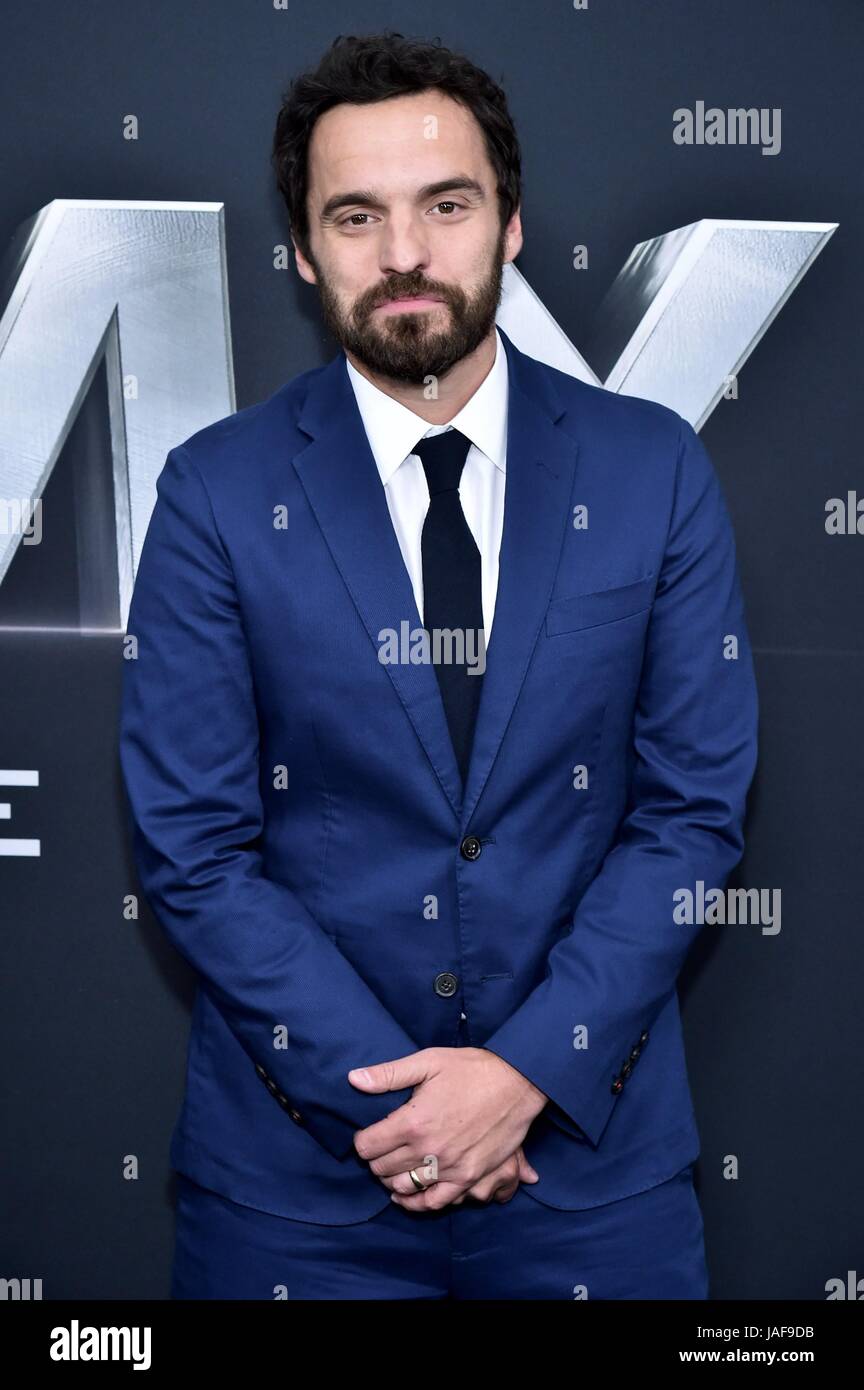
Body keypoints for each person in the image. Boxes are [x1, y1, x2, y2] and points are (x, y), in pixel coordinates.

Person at [119, 31, 758, 1300]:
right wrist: (418, 1115)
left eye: (445, 205)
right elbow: (192, 846)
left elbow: (692, 813)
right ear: (301, 251)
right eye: (354, 215)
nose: (403, 253)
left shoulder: (653, 471)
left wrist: (521, 1079)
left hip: (589, 1174)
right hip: (296, 1192)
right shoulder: (216, 492)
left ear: (510, 225)